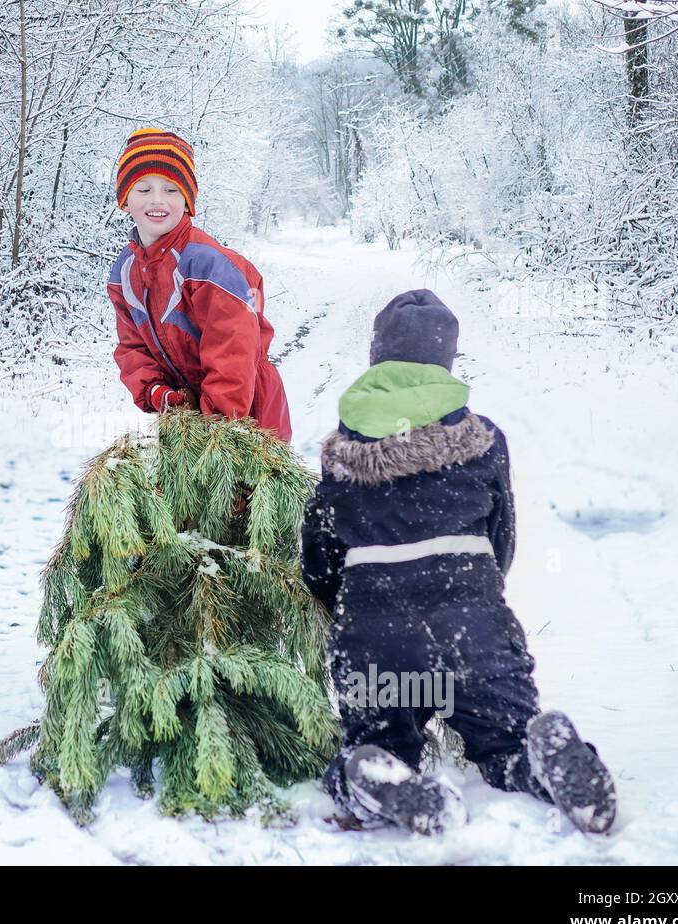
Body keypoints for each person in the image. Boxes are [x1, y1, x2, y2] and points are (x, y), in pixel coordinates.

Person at [299, 289, 617, 836]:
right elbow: (502, 539)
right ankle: (544, 763)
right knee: (504, 743)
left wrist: (347, 611)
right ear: (447, 362)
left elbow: (319, 562)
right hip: (473, 623)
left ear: (377, 359)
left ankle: (381, 774)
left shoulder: (338, 454)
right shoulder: (485, 439)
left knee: (379, 741)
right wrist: (480, 600)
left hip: (376, 631)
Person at [107, 127, 292, 443]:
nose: (157, 201)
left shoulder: (208, 265)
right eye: (143, 189)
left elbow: (233, 354)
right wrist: (158, 393)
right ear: (125, 200)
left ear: (188, 200)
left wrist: (215, 428)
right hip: (187, 420)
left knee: (239, 492)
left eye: (171, 190)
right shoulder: (124, 272)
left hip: (245, 413)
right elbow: (132, 347)